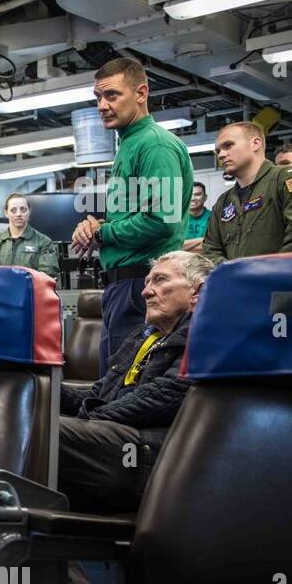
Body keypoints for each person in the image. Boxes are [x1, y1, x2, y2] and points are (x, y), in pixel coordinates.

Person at [57, 250, 213, 517]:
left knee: (42, 431)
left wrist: (91, 416)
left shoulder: (207, 332)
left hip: (149, 452)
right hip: (117, 437)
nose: (146, 292)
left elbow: (166, 395)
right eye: (147, 282)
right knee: (27, 414)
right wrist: (41, 391)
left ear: (197, 291)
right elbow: (99, 392)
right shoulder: (145, 336)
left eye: (160, 280)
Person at [72, 57, 193, 376]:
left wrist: (101, 233)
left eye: (112, 95)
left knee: (125, 388)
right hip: (123, 286)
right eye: (98, 97)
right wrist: (98, 227)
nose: (102, 105)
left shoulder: (154, 145)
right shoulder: (130, 144)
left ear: (141, 93)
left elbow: (160, 220)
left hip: (140, 286)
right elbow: (135, 216)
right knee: (111, 386)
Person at [203, 123, 292, 263]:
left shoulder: (286, 179)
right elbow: (210, 249)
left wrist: (272, 271)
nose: (221, 155)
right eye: (218, 151)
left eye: (228, 145)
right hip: (235, 277)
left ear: (255, 144)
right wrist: (232, 272)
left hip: (283, 275)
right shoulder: (223, 202)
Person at [0, 193, 61, 277]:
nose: (18, 214)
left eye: (23, 210)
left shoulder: (44, 242)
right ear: (6, 213)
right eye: (13, 210)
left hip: (30, 286)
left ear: (29, 211)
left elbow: (47, 276)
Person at [182, 181, 210, 252]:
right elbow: (174, 246)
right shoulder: (178, 220)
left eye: (197, 194)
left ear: (205, 197)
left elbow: (213, 247)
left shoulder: (214, 218)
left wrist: (186, 246)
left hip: (207, 259)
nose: (192, 198)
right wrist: (201, 240)